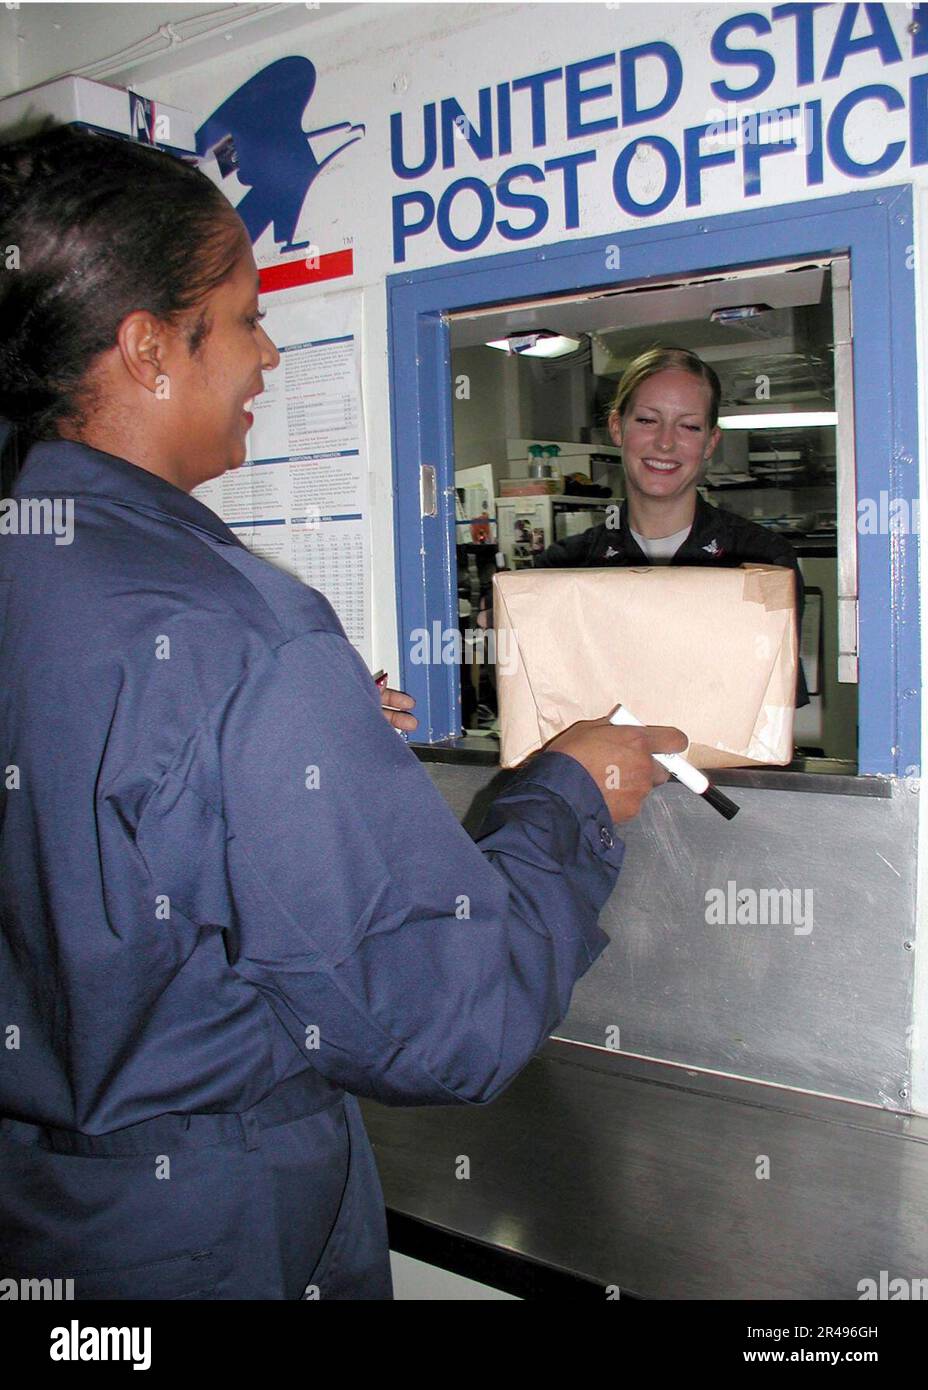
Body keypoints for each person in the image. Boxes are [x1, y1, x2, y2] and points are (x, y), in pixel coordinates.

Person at [0, 125, 684, 1300]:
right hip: (207, 1231)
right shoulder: (241, 631)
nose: (269, 353)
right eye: (249, 313)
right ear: (150, 346)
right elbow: (445, 1021)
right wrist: (571, 792)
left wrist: (273, 749)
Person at [534, 346, 809, 706]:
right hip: (603, 760)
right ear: (617, 428)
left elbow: (772, 704)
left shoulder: (765, 561)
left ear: (710, 442)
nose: (665, 442)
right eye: (648, 420)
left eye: (689, 426)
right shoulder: (563, 568)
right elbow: (544, 694)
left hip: (718, 762)